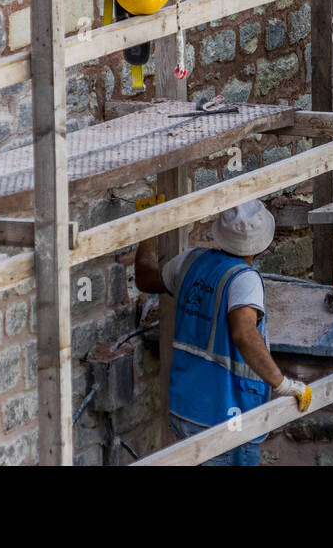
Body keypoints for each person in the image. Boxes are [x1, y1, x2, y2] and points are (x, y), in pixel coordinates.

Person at [134, 199, 312, 466]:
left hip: (185, 409)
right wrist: (284, 384)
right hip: (225, 417)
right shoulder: (245, 280)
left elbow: (145, 278)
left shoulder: (189, 262)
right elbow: (243, 333)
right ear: (261, 242)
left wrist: (147, 228)